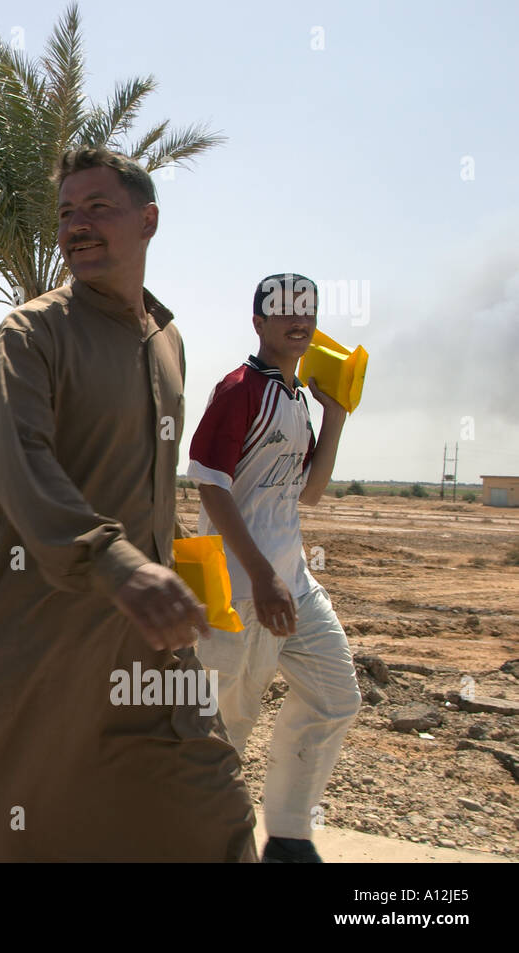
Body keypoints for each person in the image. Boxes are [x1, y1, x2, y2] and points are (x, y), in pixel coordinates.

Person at [0, 147, 258, 861]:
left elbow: (155, 489)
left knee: (211, 814)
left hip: (145, 649)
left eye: (98, 208)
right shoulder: (29, 336)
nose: (77, 226)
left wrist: (174, 575)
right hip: (30, 648)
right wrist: (115, 563)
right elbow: (21, 466)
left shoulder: (166, 340)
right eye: (67, 212)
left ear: (148, 220)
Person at [187, 273, 361, 863]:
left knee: (336, 697)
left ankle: (287, 835)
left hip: (294, 584)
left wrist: (335, 416)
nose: (298, 319)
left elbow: (309, 493)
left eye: (307, 309)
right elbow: (210, 486)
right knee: (226, 727)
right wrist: (261, 576)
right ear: (259, 322)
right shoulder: (238, 390)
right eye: (284, 310)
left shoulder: (295, 400)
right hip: (236, 587)